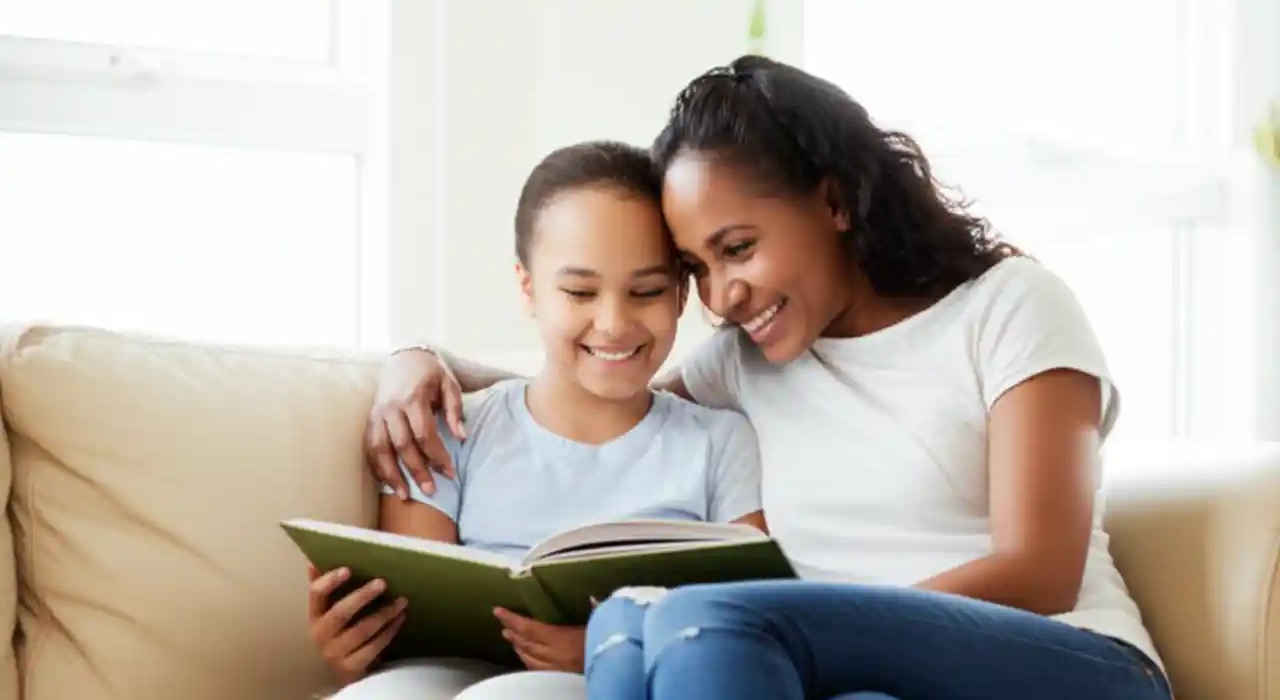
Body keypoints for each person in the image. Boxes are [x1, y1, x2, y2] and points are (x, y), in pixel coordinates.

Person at [367, 56, 1173, 700]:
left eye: (738, 248)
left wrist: (806, 628)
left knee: (695, 619)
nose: (722, 296)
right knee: (624, 631)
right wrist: (420, 361)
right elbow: (601, 375)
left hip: (1068, 663)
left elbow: (1042, 570)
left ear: (834, 203)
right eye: (697, 269)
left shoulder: (1010, 307)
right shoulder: (752, 359)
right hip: (838, 667)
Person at [314, 140, 766, 700]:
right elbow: (411, 626)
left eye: (646, 291)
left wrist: (615, 644)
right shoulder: (451, 429)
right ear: (528, 287)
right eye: (579, 291)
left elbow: (749, 624)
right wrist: (354, 659)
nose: (613, 323)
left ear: (679, 292)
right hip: (449, 671)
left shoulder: (719, 443)